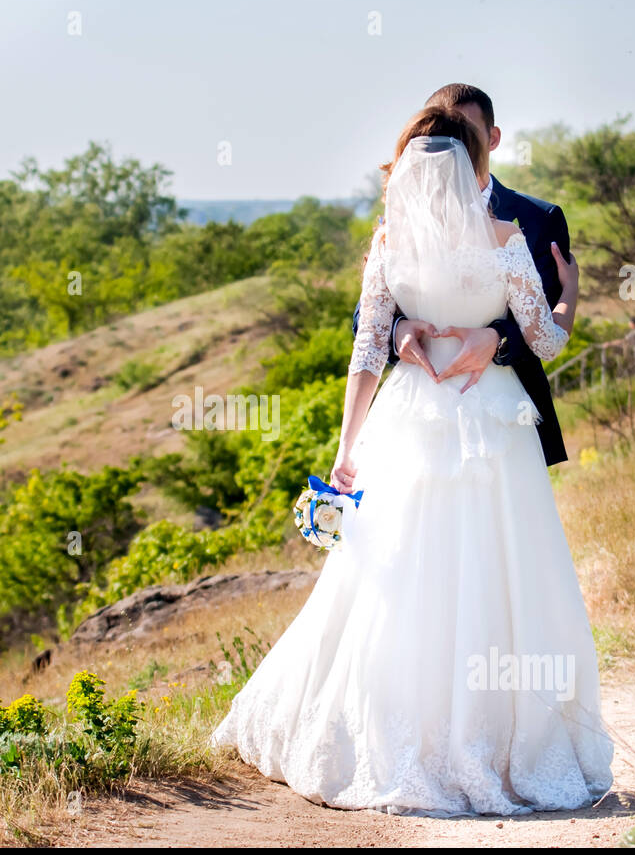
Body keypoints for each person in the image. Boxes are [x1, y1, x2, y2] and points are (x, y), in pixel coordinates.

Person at [208, 106, 614, 817]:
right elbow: (546, 341)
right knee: (500, 571)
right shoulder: (506, 239)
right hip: (494, 421)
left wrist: (345, 450)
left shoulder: (391, 246)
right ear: (469, 164)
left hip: (410, 417)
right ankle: (500, 738)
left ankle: (403, 733)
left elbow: (365, 352)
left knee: (399, 573)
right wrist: (571, 294)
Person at [351, 83, 572, 469]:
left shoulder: (539, 219)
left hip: (503, 411)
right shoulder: (399, 228)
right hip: (417, 410)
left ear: (492, 138)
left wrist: (497, 337)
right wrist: (399, 330)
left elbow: (535, 323)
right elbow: (367, 326)